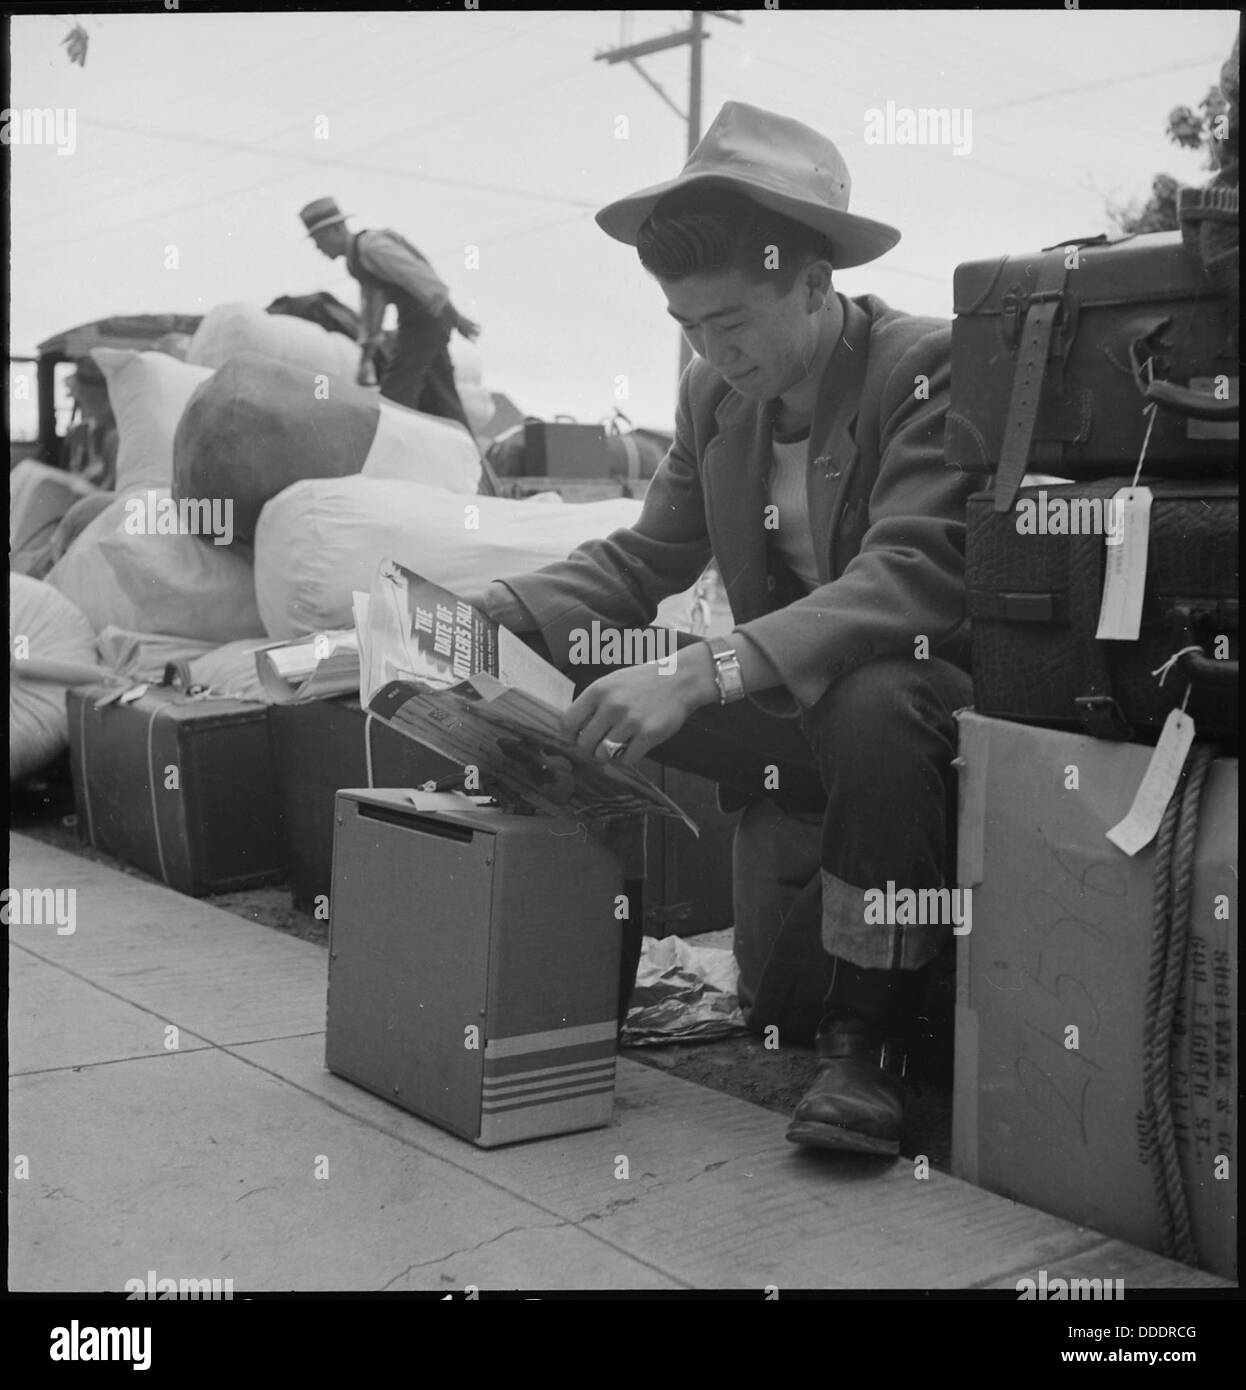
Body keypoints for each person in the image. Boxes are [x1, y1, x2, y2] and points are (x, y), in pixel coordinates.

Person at [461, 101, 978, 1158]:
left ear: (815, 281)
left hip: (920, 731)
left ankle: (865, 1047)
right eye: (686, 326)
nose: (708, 351)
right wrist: (484, 614)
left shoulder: (926, 368)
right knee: (567, 652)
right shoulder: (712, 399)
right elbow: (638, 561)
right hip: (795, 730)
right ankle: (550, 957)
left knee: (874, 699)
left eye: (732, 322)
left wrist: (703, 671)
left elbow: (909, 578)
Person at [299, 196, 481, 431]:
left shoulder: (373, 247)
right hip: (419, 321)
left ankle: (387, 448)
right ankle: (474, 461)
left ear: (335, 230)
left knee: (396, 394)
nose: (318, 248)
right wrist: (366, 356)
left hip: (427, 320)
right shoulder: (356, 260)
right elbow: (372, 305)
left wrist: (457, 319)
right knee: (443, 398)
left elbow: (420, 278)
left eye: (318, 240)